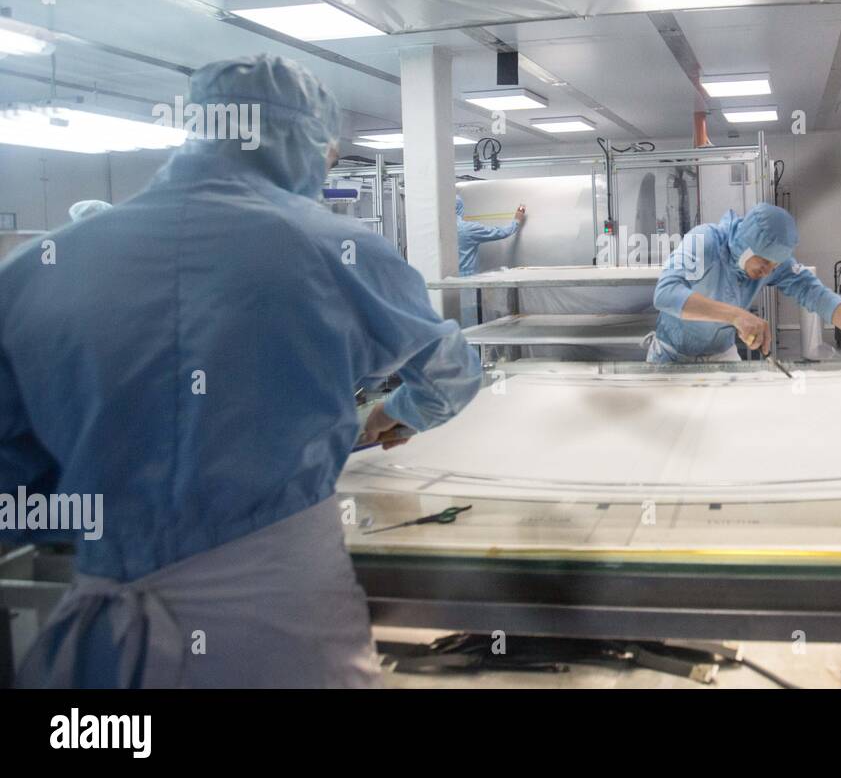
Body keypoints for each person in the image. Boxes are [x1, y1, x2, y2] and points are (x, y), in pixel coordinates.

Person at [0, 55, 482, 688]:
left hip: (105, 636)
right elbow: (450, 373)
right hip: (280, 625)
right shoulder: (337, 249)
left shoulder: (38, 267)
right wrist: (391, 414)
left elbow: (14, 480)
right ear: (307, 144)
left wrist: (120, 522)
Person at [648, 203, 841, 370]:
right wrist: (736, 315)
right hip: (671, 354)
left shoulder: (772, 262)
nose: (768, 272)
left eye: (775, 266)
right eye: (764, 263)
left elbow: (820, 297)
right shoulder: (704, 241)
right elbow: (666, 294)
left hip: (721, 353)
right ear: (746, 245)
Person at [457, 194, 525, 276]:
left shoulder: (439, 227)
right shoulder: (467, 228)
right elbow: (502, 233)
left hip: (445, 280)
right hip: (466, 280)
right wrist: (517, 220)